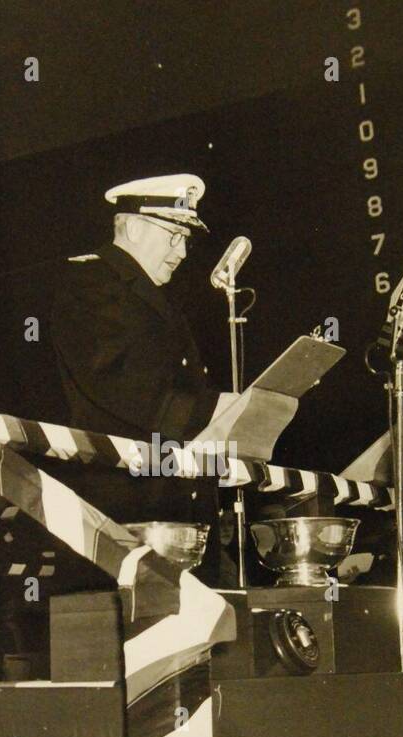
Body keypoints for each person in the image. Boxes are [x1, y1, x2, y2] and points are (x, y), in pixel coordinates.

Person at [48, 173, 234, 525]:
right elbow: (119, 382)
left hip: (175, 499)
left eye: (186, 240)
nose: (181, 252)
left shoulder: (150, 295)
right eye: (175, 236)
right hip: (129, 508)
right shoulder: (90, 285)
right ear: (134, 228)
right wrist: (214, 411)